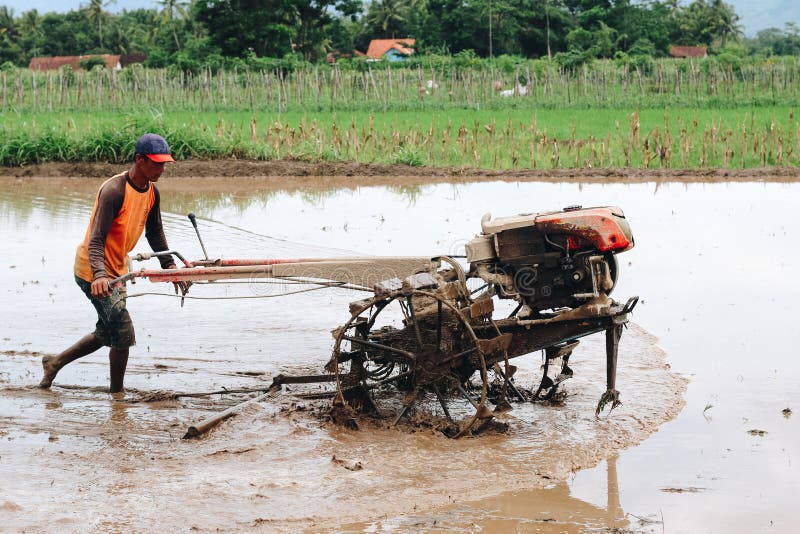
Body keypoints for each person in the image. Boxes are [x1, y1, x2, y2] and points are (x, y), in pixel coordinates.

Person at [39, 133, 185, 393]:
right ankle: (117, 395)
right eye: (156, 163)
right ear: (140, 159)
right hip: (92, 270)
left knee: (108, 332)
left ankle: (54, 363)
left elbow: (155, 232)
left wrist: (169, 267)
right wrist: (98, 276)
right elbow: (96, 240)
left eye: (164, 164)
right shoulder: (114, 191)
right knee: (123, 331)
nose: (162, 169)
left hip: (117, 269)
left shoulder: (152, 191)